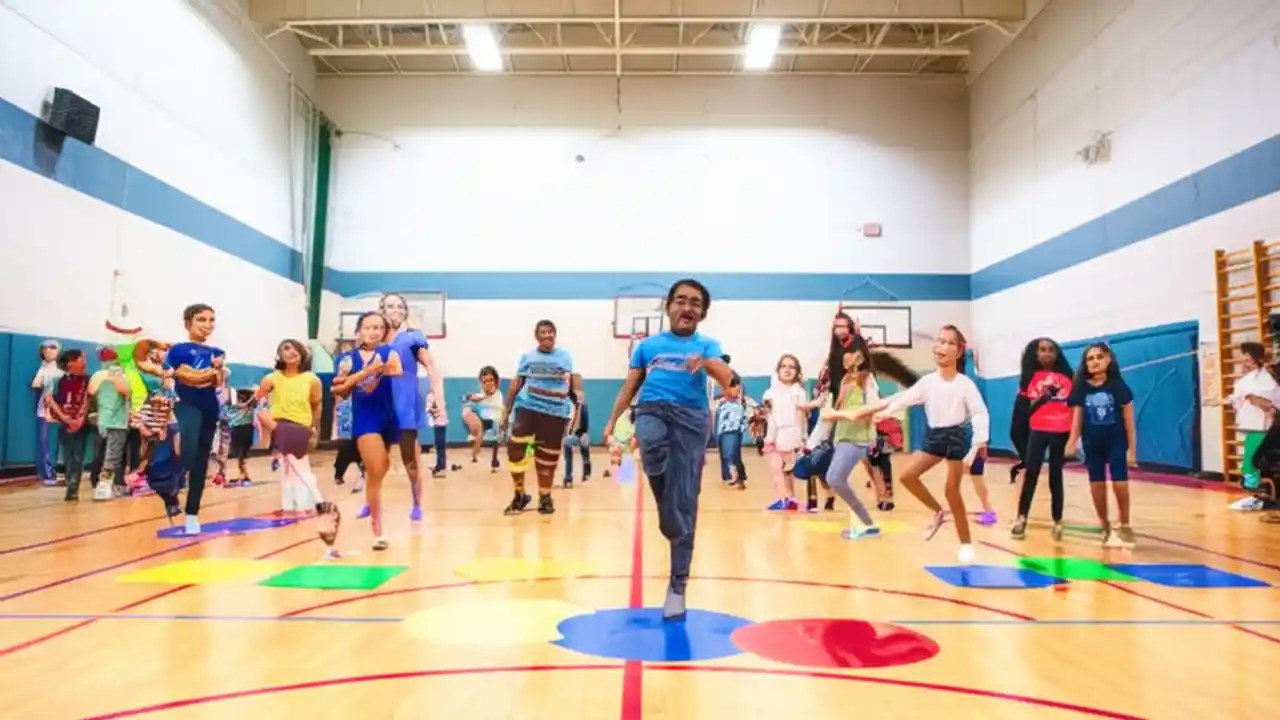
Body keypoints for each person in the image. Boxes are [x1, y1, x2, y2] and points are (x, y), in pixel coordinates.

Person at [604, 278, 733, 620]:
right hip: (653, 410)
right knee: (650, 441)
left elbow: (728, 380)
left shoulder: (708, 345)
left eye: (695, 303)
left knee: (684, 507)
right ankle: (668, 507)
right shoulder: (648, 347)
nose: (687, 307)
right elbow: (631, 385)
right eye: (681, 300)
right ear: (669, 306)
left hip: (692, 420)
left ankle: (678, 585)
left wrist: (708, 364)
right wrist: (612, 420)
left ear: (702, 313)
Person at [852, 326, 988, 564]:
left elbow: (979, 412)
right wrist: (886, 413)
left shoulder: (965, 384)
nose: (942, 346)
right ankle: (938, 511)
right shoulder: (928, 382)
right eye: (940, 341)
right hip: (935, 437)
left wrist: (977, 443)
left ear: (959, 352)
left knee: (952, 491)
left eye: (949, 342)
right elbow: (905, 398)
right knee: (907, 477)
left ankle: (965, 543)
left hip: (957, 438)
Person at [367, 293, 444, 522]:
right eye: (390, 306)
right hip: (379, 401)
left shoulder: (413, 337)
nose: (396, 310)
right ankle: (370, 503)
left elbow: (431, 365)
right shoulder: (373, 338)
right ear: (381, 310)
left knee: (409, 457)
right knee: (373, 458)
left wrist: (438, 397)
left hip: (405, 401)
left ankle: (417, 504)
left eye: (400, 306)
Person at [332, 312, 402, 551]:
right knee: (375, 466)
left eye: (378, 328)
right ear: (359, 331)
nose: (373, 332)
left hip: (388, 416)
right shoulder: (347, 359)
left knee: (380, 470)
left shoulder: (390, 353)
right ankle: (377, 527)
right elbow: (339, 390)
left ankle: (370, 500)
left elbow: (397, 373)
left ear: (384, 332)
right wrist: (368, 371)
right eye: (368, 327)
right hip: (365, 417)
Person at [500, 320, 582, 515]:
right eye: (543, 332)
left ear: (555, 335)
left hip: (554, 412)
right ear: (537, 336)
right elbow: (517, 382)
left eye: (550, 332)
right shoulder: (528, 357)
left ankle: (545, 497)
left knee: (547, 456)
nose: (547, 335)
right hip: (527, 407)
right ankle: (520, 494)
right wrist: (506, 410)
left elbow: (574, 383)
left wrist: (577, 408)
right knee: (515, 450)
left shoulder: (564, 357)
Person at [1066, 342, 1138, 547]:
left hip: (1116, 442)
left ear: (1108, 359)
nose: (1095, 361)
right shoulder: (1082, 389)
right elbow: (1077, 419)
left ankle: (1125, 524)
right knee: (1096, 484)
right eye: (1090, 358)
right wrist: (1072, 441)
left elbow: (1129, 422)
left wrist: (1132, 451)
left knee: (1120, 483)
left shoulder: (1119, 387)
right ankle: (1104, 524)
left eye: (1099, 357)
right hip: (1092, 444)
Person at [164, 303, 226, 535]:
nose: (207, 324)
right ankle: (170, 489)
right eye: (201, 319)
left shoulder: (217, 352)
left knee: (200, 461)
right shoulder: (178, 349)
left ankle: (192, 512)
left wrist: (218, 372)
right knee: (187, 452)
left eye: (211, 320)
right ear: (188, 323)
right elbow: (184, 376)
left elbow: (217, 381)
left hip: (209, 406)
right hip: (187, 404)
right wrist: (206, 374)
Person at [1011, 338, 1074, 541]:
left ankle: (1058, 520)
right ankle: (1021, 518)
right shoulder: (1030, 378)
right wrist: (1043, 397)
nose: (1047, 353)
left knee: (1056, 475)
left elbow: (1075, 407)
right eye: (1043, 350)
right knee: (1032, 474)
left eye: (1051, 350)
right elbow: (1025, 410)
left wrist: (1074, 438)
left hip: (1061, 431)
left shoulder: (1068, 377)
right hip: (1038, 431)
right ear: (1036, 354)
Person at [44, 349, 90, 501]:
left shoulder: (88, 380)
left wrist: (80, 419)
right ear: (71, 362)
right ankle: (70, 482)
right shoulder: (58, 380)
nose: (85, 361)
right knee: (69, 456)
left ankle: (73, 488)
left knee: (78, 456)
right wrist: (66, 419)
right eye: (81, 358)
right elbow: (50, 399)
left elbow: (88, 399)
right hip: (65, 423)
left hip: (81, 424)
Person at [461, 366, 504, 472]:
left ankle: (493, 459)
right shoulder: (481, 393)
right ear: (481, 382)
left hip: (494, 420)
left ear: (495, 380)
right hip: (483, 419)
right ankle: (474, 440)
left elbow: (500, 409)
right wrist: (471, 397)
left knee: (496, 427)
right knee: (468, 412)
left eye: (491, 380)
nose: (488, 383)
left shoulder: (498, 394)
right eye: (485, 381)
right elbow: (465, 398)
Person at [32, 339, 63, 486]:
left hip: (60, 413)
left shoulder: (60, 370)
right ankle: (47, 474)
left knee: (55, 444)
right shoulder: (43, 369)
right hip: (45, 412)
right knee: (45, 445)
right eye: (45, 348)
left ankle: (55, 472)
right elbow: (36, 384)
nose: (48, 350)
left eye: (52, 347)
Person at [562, 390, 591, 487]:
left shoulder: (583, 408)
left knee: (583, 452)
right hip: (575, 434)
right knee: (581, 453)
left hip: (580, 434)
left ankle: (572, 477)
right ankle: (571, 477)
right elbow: (569, 423)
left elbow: (584, 424)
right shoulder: (573, 407)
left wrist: (578, 434)